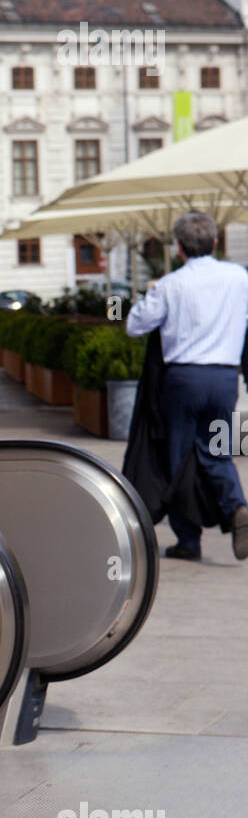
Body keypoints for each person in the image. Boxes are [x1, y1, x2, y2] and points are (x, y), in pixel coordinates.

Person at [125, 210, 248, 561]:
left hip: (183, 379)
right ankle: (236, 506)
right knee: (217, 449)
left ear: (179, 247)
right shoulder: (239, 277)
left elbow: (134, 325)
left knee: (177, 458)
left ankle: (189, 541)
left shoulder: (170, 284)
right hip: (226, 377)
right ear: (216, 241)